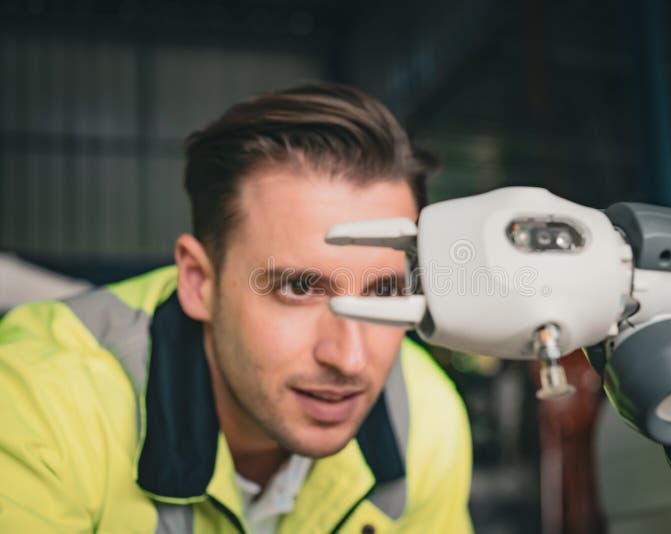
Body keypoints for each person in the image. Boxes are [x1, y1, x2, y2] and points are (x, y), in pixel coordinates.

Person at [0, 83, 473, 533]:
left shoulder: (423, 415)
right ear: (199, 282)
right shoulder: (37, 408)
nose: (349, 359)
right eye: (299, 287)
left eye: (385, 292)